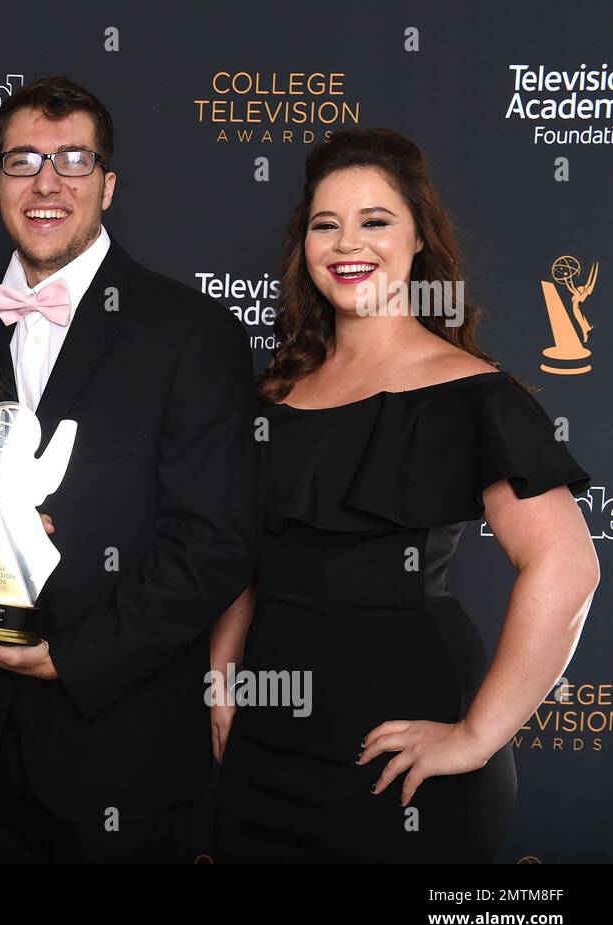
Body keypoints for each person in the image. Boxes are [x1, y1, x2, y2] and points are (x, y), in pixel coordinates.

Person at [212, 128, 599, 862]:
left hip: (400, 748)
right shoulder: (275, 393)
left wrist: (479, 733)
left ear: (418, 235)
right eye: (326, 224)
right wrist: (224, 678)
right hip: (267, 741)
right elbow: (247, 559)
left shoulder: (471, 393)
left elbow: (568, 568)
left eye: (375, 220)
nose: (347, 242)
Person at [0, 76, 258, 863]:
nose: (47, 182)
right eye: (24, 160)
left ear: (107, 184)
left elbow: (214, 546)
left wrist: (69, 657)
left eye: (73, 159)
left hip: (123, 751)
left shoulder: (190, 332)